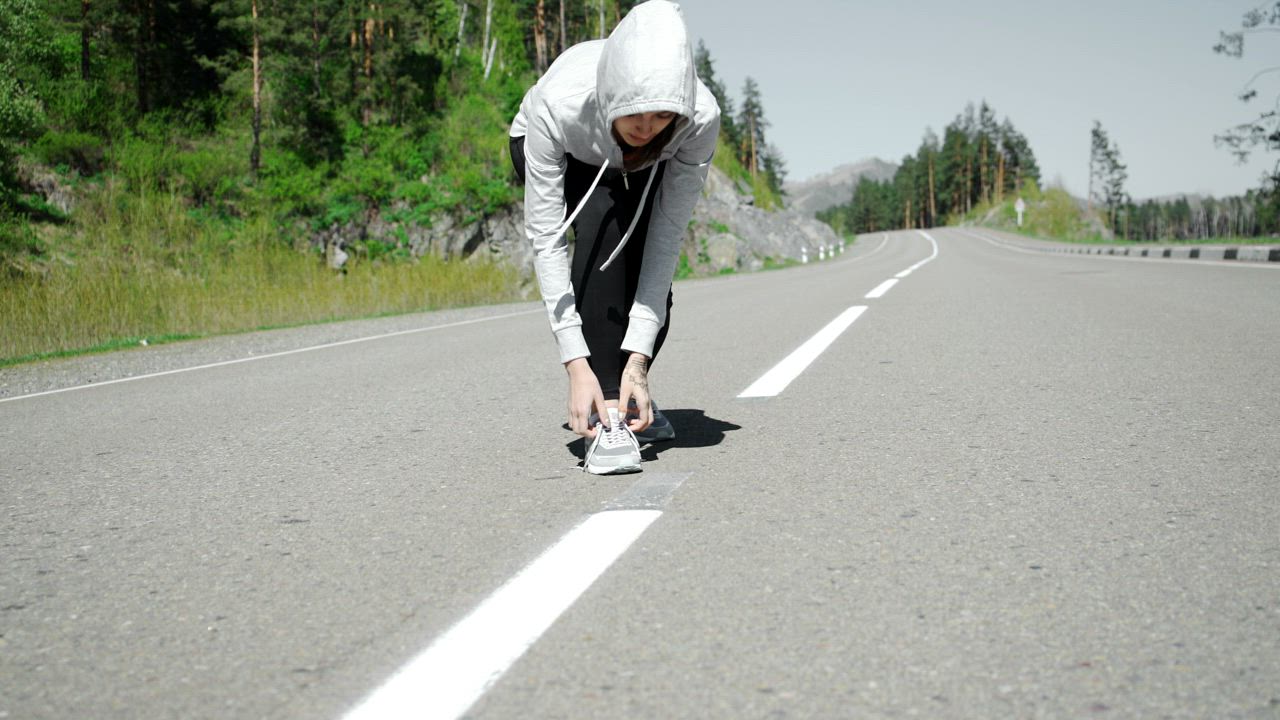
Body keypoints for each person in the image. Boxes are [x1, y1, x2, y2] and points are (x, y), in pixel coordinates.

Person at [508, 0, 719, 474]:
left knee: (643, 256)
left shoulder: (697, 119)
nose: (647, 128)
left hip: (640, 163)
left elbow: (667, 236)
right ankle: (604, 406)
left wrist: (639, 359)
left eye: (663, 115)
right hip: (563, 142)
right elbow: (546, 238)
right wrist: (575, 364)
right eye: (638, 115)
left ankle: (627, 390)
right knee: (604, 227)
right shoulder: (558, 106)